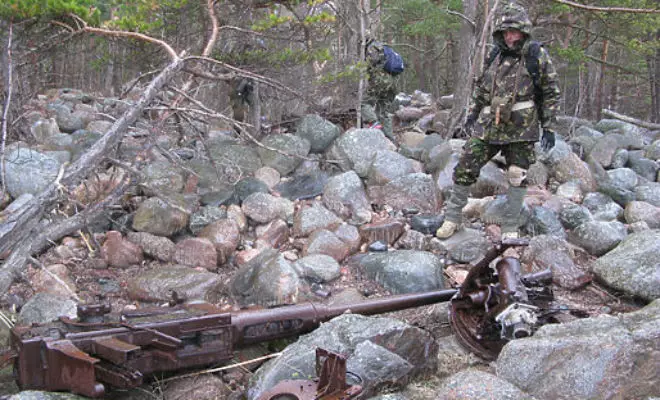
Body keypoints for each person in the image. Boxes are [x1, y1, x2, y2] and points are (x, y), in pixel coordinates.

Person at [436, 2, 561, 240]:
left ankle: (510, 226)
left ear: (524, 31)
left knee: (517, 174)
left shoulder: (536, 55)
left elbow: (551, 92)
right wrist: (472, 115)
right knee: (465, 165)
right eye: (506, 31)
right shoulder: (495, 54)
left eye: (514, 31)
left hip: (522, 126)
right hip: (490, 124)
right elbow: (482, 89)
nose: (510, 36)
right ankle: (452, 218)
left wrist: (549, 126)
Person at [362, 38, 398, 140]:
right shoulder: (384, 46)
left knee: (363, 103)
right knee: (383, 112)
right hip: (391, 82)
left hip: (379, 81)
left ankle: (374, 123)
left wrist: (366, 66)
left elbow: (373, 62)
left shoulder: (372, 47)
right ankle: (390, 139)